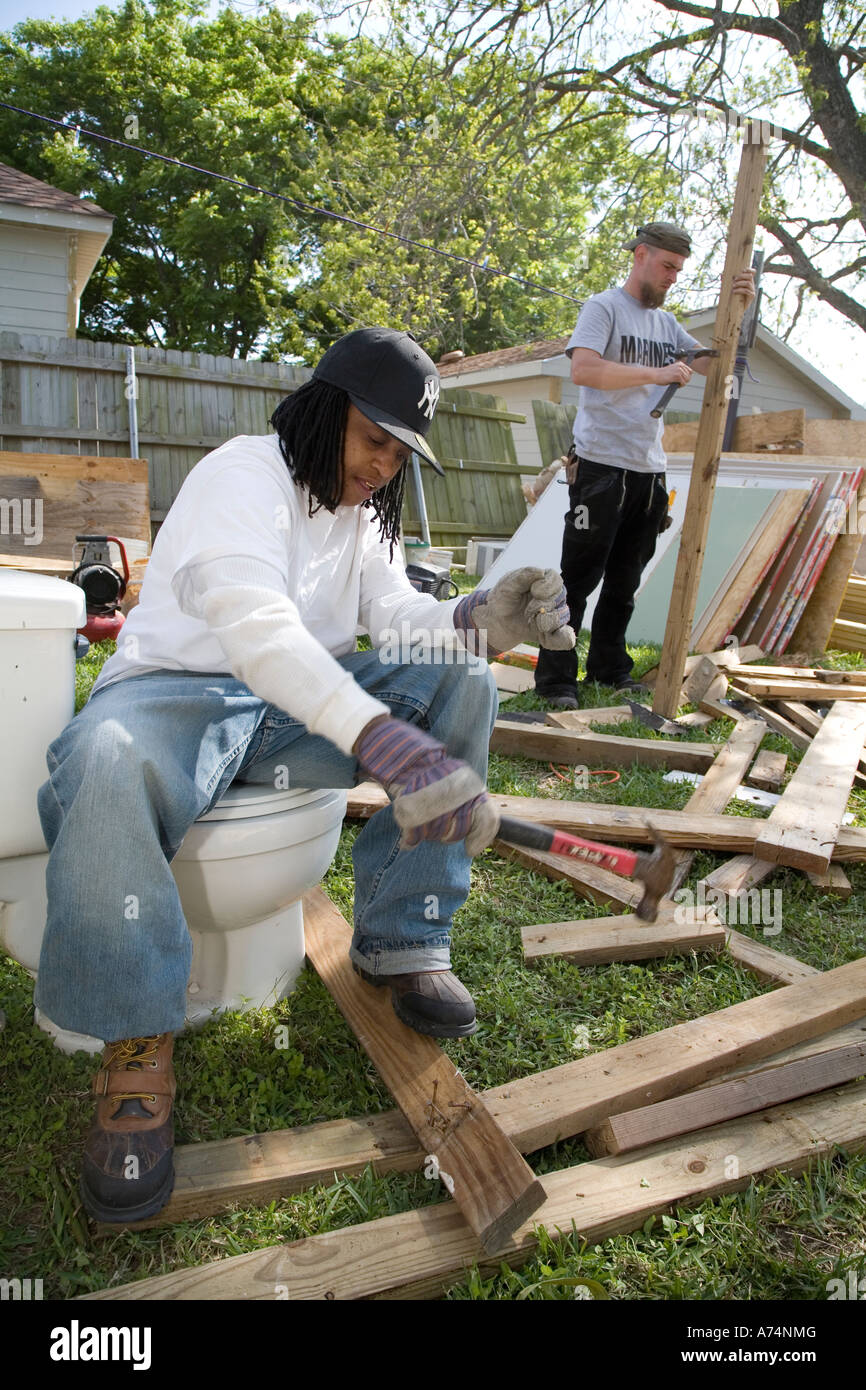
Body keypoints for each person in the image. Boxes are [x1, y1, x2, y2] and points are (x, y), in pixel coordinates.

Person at [34, 326, 574, 1223]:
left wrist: (480, 617)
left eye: (400, 455)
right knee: (102, 760)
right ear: (325, 412)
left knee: (462, 678)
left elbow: (396, 614)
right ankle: (133, 1043)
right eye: (375, 441)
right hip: (178, 693)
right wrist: (376, 734)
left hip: (288, 712)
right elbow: (258, 631)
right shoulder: (240, 477)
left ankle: (402, 939)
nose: (383, 469)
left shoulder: (364, 514)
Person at [534, 222, 755, 709]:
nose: (673, 277)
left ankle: (610, 669)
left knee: (625, 582)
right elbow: (584, 369)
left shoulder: (666, 323)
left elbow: (712, 360)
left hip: (648, 471)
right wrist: (656, 373)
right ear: (640, 255)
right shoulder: (604, 307)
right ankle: (555, 681)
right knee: (577, 579)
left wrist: (737, 306)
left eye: (679, 269)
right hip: (600, 466)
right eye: (667, 266)